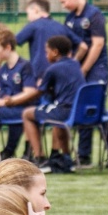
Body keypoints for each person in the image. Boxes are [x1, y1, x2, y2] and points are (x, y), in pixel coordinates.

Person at [57, 0, 108, 167]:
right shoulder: (70, 19)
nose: (63, 6)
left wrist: (84, 68)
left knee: (95, 109)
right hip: (79, 70)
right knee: (81, 109)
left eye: (64, 1)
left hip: (96, 70)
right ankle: (83, 154)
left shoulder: (94, 15)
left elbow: (98, 44)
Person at [22, 35, 84, 175]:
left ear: (55, 52)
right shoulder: (75, 64)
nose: (46, 55)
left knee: (27, 114)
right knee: (54, 110)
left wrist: (15, 101)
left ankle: (40, 158)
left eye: (46, 51)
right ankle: (66, 157)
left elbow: (39, 92)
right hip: (78, 111)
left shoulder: (53, 69)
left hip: (65, 111)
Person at [0, 27, 35, 159]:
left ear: (7, 47)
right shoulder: (3, 69)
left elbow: (30, 92)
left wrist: (5, 101)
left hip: (23, 108)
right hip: (7, 108)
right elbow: (2, 91)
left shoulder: (25, 66)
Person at [15, 0, 74, 88]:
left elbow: (12, 42)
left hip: (40, 76)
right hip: (62, 75)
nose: (28, 18)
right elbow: (82, 46)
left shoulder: (33, 25)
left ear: (35, 10)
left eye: (28, 13)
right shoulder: (61, 27)